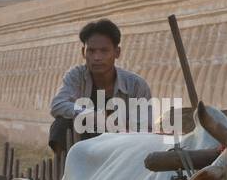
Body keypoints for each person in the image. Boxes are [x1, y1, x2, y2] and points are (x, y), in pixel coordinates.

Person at [48, 18, 151, 153]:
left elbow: (145, 127)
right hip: (82, 145)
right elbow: (57, 105)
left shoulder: (135, 85)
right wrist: (93, 115)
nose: (97, 57)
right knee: (61, 124)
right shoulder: (76, 76)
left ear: (117, 52)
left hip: (121, 148)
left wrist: (114, 125)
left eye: (104, 51)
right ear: (83, 52)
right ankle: (66, 170)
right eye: (91, 51)